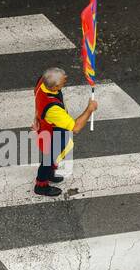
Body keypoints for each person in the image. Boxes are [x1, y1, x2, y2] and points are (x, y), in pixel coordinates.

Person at [32, 67, 98, 197]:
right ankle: (41, 185)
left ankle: (50, 174)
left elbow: (36, 96)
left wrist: (37, 115)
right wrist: (89, 109)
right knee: (48, 160)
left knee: (52, 159)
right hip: (51, 135)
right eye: (63, 80)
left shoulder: (42, 81)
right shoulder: (53, 109)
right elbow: (76, 127)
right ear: (55, 87)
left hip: (48, 127)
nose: (66, 78)